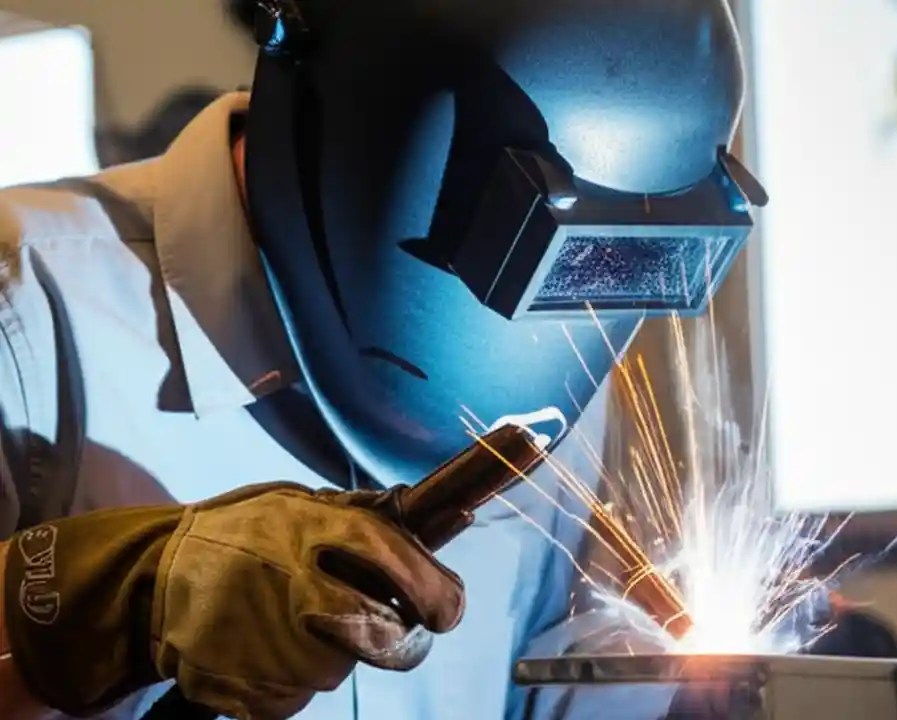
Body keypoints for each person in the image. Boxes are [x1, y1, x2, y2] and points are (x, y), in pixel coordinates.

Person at [0, 0, 765, 718]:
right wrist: (122, 602)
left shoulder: (561, 377)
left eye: (609, 267)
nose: (567, 302)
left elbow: (553, 669)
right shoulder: (28, 303)